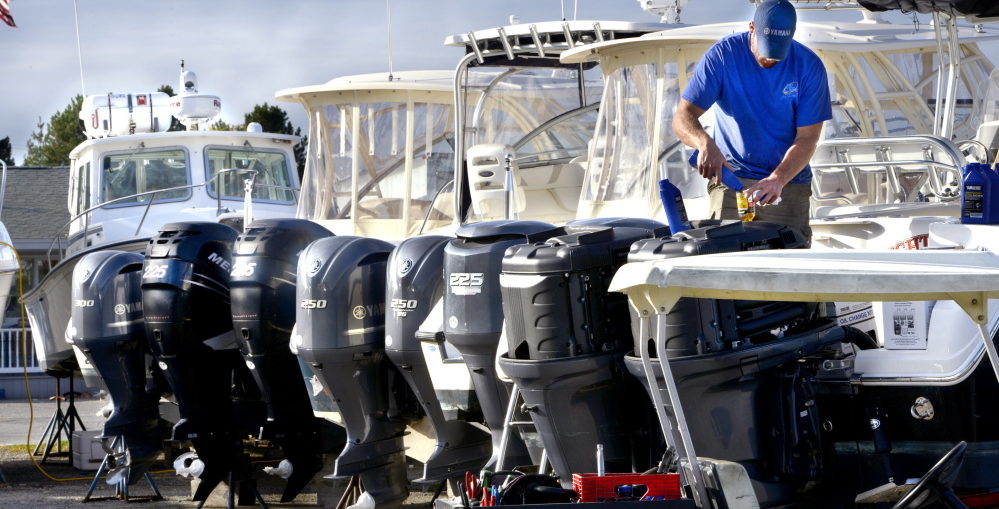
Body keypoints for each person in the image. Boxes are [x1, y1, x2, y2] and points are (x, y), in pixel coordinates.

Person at [672, 0, 831, 244]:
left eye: (778, 54)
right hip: (732, 180)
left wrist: (777, 179)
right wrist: (704, 143)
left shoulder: (809, 66)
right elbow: (683, 116)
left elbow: (808, 138)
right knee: (721, 254)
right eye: (766, 50)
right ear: (751, 28)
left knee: (790, 259)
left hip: (787, 182)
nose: (770, 60)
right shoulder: (723, 55)